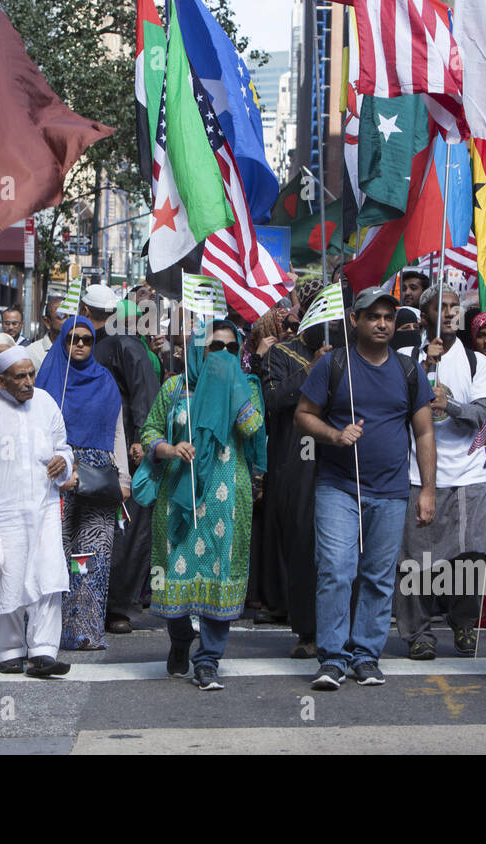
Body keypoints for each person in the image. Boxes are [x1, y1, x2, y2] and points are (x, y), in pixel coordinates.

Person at [296, 287, 435, 689]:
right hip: (338, 487)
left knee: (378, 577)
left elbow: (424, 433)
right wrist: (335, 436)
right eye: (373, 316)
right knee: (337, 570)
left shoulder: (410, 371)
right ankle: (333, 657)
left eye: (389, 317)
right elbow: (303, 417)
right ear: (354, 320)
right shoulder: (333, 365)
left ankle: (366, 655)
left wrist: (427, 489)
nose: (382, 323)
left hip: (392, 492)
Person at [140, 320, 265, 691]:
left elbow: (254, 430)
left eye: (230, 348)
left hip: (227, 502)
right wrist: (168, 449)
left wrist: (234, 388)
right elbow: (150, 432)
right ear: (199, 349)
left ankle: (209, 659)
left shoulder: (247, 387)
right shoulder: (175, 388)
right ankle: (180, 638)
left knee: (219, 573)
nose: (222, 354)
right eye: (215, 347)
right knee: (174, 572)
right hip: (179, 496)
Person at [394, 286, 486, 660]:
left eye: (456, 307)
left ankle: (465, 623)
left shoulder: (476, 362)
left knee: (471, 556)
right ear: (425, 317)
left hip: (468, 476)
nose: (451, 312)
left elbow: (483, 414)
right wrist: (422, 368)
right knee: (417, 559)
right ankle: (418, 632)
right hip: (419, 476)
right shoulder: (406, 356)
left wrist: (448, 404)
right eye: (443, 307)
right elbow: (393, 405)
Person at [0, 345, 74, 678]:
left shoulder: (46, 404)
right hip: (2, 513)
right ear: (0, 380)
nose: (28, 382)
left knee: (47, 577)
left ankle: (43, 651)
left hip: (43, 509)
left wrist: (64, 462)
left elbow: (64, 448)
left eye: (31, 374)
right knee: (6, 580)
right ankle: (9, 650)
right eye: (19, 376)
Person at [34, 316, 130, 650]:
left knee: (92, 556)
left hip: (99, 477)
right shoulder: (47, 380)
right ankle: (48, 634)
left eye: (87, 340)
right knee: (53, 554)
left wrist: (125, 479)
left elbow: (117, 431)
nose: (80, 345)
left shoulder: (104, 380)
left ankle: (85, 631)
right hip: (54, 475)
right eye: (73, 338)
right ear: (62, 340)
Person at [81, 283, 161, 635]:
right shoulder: (117, 345)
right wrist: (146, 440)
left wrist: (143, 440)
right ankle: (113, 606)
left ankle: (109, 604)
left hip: (111, 446)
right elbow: (148, 397)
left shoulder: (84, 344)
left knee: (114, 524)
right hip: (116, 448)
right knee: (123, 525)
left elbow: (143, 398)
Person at [260, 279, 327, 658]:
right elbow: (273, 399)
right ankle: (305, 630)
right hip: (297, 462)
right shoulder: (282, 354)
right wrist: (314, 369)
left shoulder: (348, 354)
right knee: (303, 545)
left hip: (337, 459)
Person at [26, 294, 65, 372]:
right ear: (47, 322)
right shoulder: (32, 353)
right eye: (62, 317)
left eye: (71, 316)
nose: (69, 321)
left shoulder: (79, 349)